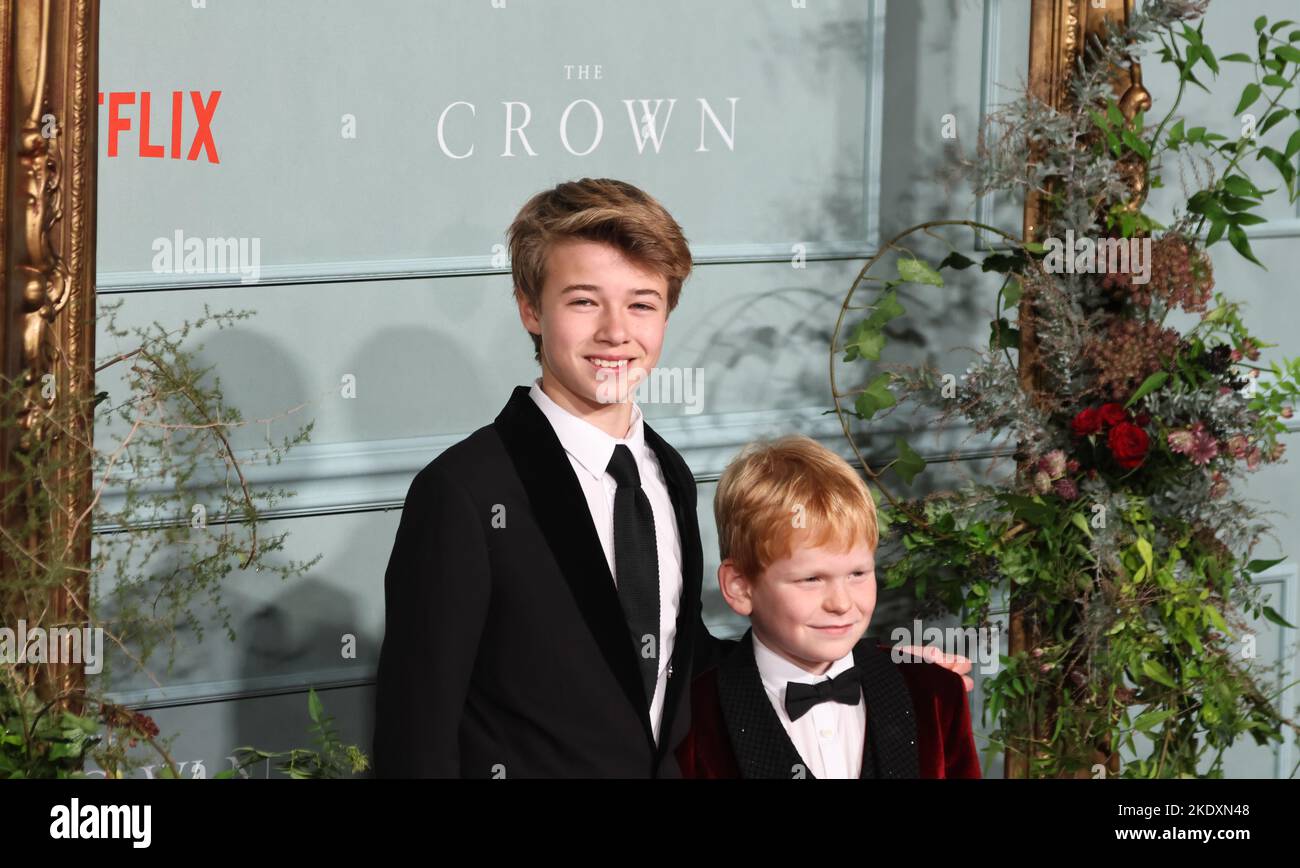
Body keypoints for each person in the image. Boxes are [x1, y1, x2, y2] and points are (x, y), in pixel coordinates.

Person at [675, 435, 982, 779]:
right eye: (811, 579)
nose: (841, 603)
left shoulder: (934, 692)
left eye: (857, 573)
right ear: (740, 586)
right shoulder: (692, 718)